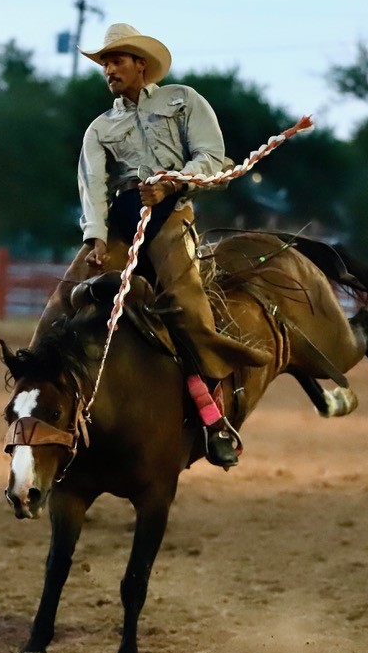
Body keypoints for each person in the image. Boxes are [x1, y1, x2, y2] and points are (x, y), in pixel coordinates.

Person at [35, 23, 269, 469]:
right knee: (62, 300)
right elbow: (92, 185)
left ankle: (214, 421)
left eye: (116, 60)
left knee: (188, 309)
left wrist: (172, 184)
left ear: (140, 64)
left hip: (170, 213)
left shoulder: (183, 101)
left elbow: (213, 159)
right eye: (104, 63)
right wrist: (95, 237)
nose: (109, 70)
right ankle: (33, 393)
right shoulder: (100, 128)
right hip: (122, 219)